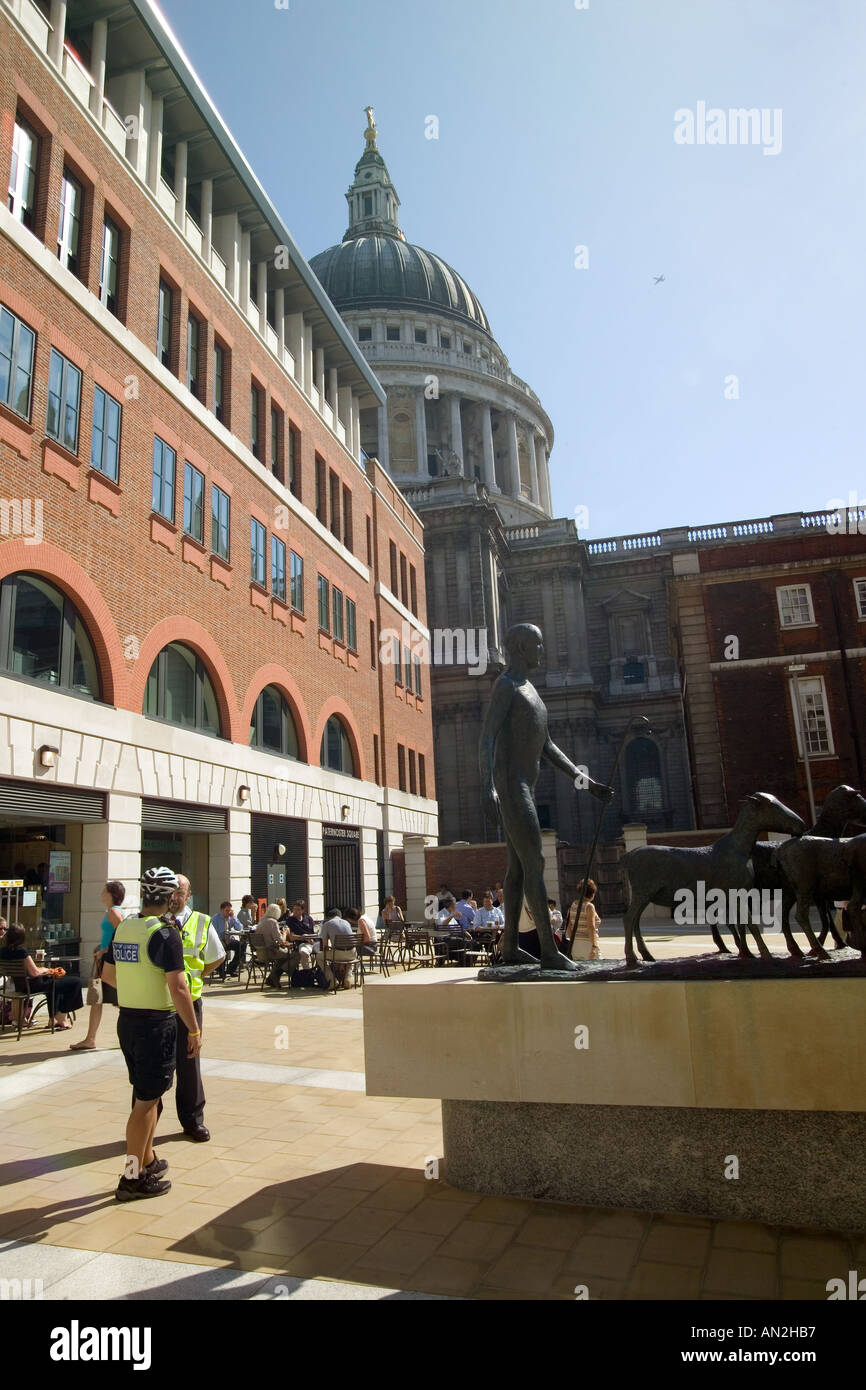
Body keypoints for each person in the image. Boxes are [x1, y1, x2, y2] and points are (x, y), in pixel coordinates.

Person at [480, 623, 612, 970]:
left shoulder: (530, 690)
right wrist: (488, 787)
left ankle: (509, 947)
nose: (543, 651)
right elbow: (487, 738)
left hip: (526, 785)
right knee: (534, 862)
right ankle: (548, 951)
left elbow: (548, 747)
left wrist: (586, 781)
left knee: (516, 871)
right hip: (512, 786)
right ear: (521, 647)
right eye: (537, 645)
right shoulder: (506, 686)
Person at [101, 867, 201, 1201]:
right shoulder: (165, 933)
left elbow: (109, 976)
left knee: (149, 1095)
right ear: (172, 897)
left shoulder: (126, 926)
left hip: (127, 1021)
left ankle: (147, 1160)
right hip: (155, 1024)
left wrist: (138, 985)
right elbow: (179, 987)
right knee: (146, 1103)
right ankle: (131, 1178)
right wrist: (194, 1029)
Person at [170, 875, 224, 1140]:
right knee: (156, 1065)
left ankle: (192, 1120)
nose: (174, 897)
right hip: (160, 1003)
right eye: (170, 891)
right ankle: (144, 1125)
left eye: (179, 892)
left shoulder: (202, 921)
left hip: (189, 1001)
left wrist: (199, 974)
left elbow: (218, 956)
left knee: (190, 1061)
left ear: (188, 895)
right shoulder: (154, 921)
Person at [70, 880, 127, 1051]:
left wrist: (105, 951)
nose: (101, 893)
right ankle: (91, 1038)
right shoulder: (112, 911)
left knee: (115, 999)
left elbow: (122, 935)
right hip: (106, 959)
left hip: (109, 962)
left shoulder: (114, 912)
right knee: (99, 999)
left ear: (111, 894)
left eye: (104, 890)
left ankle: (95, 1038)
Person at [0, 924, 83, 1028]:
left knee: (54, 985)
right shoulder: (21, 952)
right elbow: (34, 972)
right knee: (75, 982)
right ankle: (61, 1018)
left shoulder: (2, 952)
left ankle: (54, 1020)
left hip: (20, 986)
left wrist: (46, 971)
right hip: (33, 986)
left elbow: (30, 971)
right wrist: (48, 970)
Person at [320, 906, 356, 989]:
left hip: (338, 953)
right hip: (352, 953)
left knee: (319, 956)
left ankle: (332, 980)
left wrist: (330, 948)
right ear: (340, 916)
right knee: (350, 960)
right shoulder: (347, 923)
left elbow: (324, 946)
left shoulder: (327, 924)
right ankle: (348, 977)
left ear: (329, 917)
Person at [257, 903, 291, 986]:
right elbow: (280, 941)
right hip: (270, 951)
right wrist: (285, 933)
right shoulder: (273, 922)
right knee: (288, 955)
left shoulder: (262, 920)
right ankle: (275, 975)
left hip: (260, 952)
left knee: (283, 955)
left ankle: (271, 977)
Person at [567, 879, 602, 960]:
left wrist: (573, 940)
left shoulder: (572, 905)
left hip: (575, 945)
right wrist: (594, 946)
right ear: (592, 893)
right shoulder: (589, 906)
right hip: (588, 944)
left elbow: (568, 926)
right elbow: (591, 927)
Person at [211, 901, 244, 978]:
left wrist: (233, 917)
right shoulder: (215, 919)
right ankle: (220, 970)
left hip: (229, 939)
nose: (228, 912)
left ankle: (231, 968)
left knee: (241, 946)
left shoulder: (230, 918)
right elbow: (213, 933)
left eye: (230, 910)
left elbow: (239, 928)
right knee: (222, 949)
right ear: (221, 910)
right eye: (226, 910)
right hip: (219, 940)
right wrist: (222, 941)